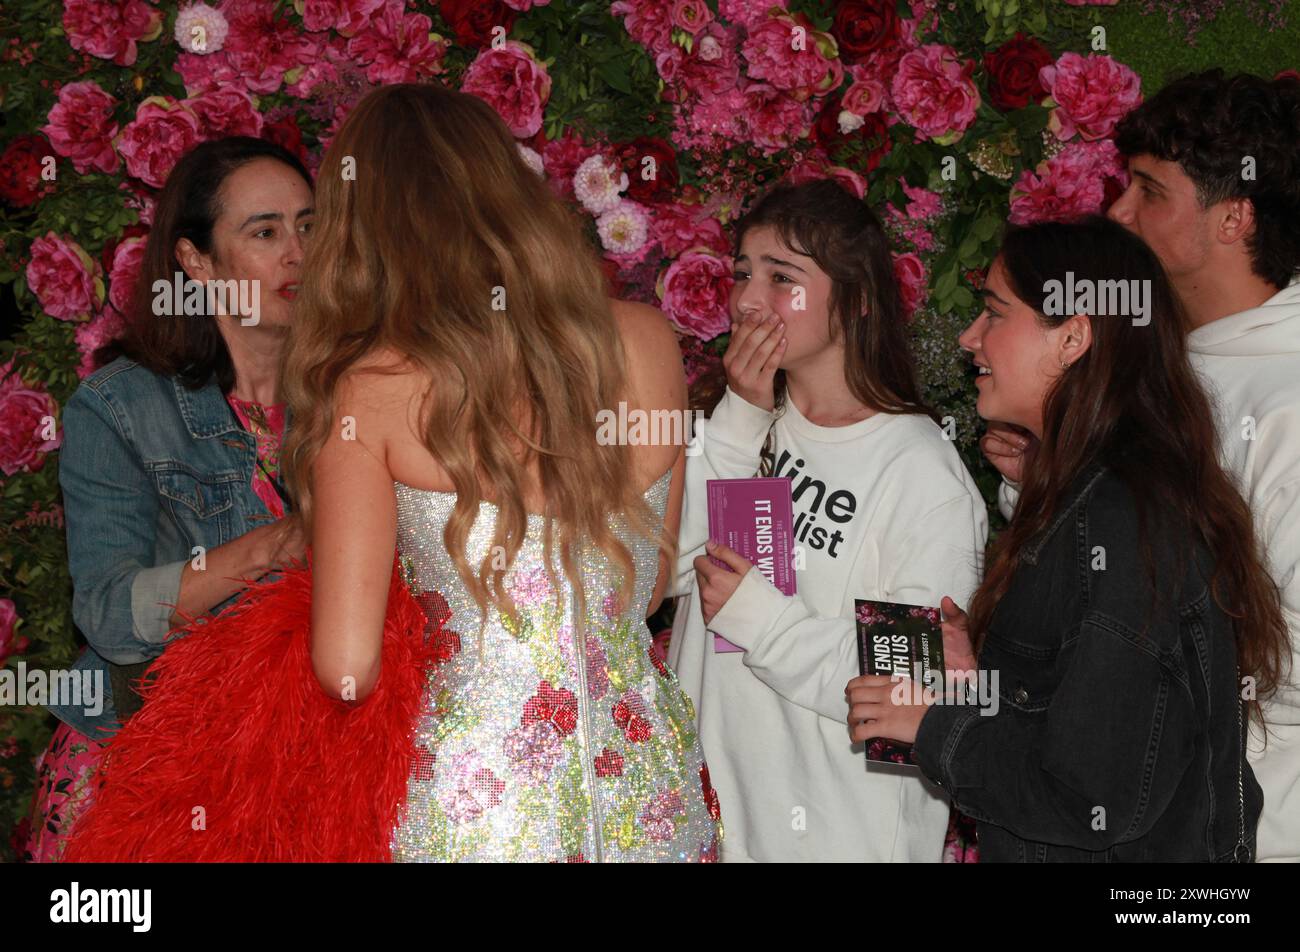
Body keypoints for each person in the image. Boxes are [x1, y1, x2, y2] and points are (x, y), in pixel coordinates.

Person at [66, 83, 721, 863]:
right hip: (650, 789)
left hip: (477, 805)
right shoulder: (646, 339)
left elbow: (345, 669)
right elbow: (644, 588)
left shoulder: (371, 389)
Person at [850, 216, 1288, 861]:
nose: (971, 339)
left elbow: (1093, 794)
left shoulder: (1125, 517)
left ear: (1073, 338)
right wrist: (981, 676)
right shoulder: (1092, 498)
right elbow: (1087, 709)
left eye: (996, 313)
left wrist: (933, 728)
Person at [986, 70, 1300, 861]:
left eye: (1150, 192)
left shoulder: (1287, 402)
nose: (1119, 213)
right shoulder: (1160, 366)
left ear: (1235, 218)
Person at [670, 179, 988, 862]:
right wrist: (736, 419)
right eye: (742, 273)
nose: (749, 300)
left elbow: (913, 689)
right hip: (702, 823)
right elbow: (655, 571)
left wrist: (763, 620)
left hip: (836, 835)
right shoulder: (734, 423)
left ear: (858, 300)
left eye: (782, 277)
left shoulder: (919, 470)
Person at [27, 136, 311, 862]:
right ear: (196, 263)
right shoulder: (118, 407)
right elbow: (111, 615)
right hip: (145, 772)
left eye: (310, 226)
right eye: (265, 231)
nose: (298, 253)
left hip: (303, 776)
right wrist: (279, 544)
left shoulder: (365, 395)